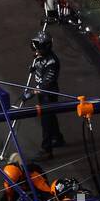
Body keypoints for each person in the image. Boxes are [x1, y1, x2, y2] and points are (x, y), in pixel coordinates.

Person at [25, 30, 64, 159]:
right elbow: (38, 62)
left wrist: (31, 93)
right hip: (42, 93)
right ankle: (57, 138)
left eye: (38, 48)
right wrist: (35, 67)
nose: (35, 51)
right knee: (50, 116)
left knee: (46, 120)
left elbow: (46, 84)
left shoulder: (52, 62)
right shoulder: (39, 56)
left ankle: (47, 150)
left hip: (49, 93)